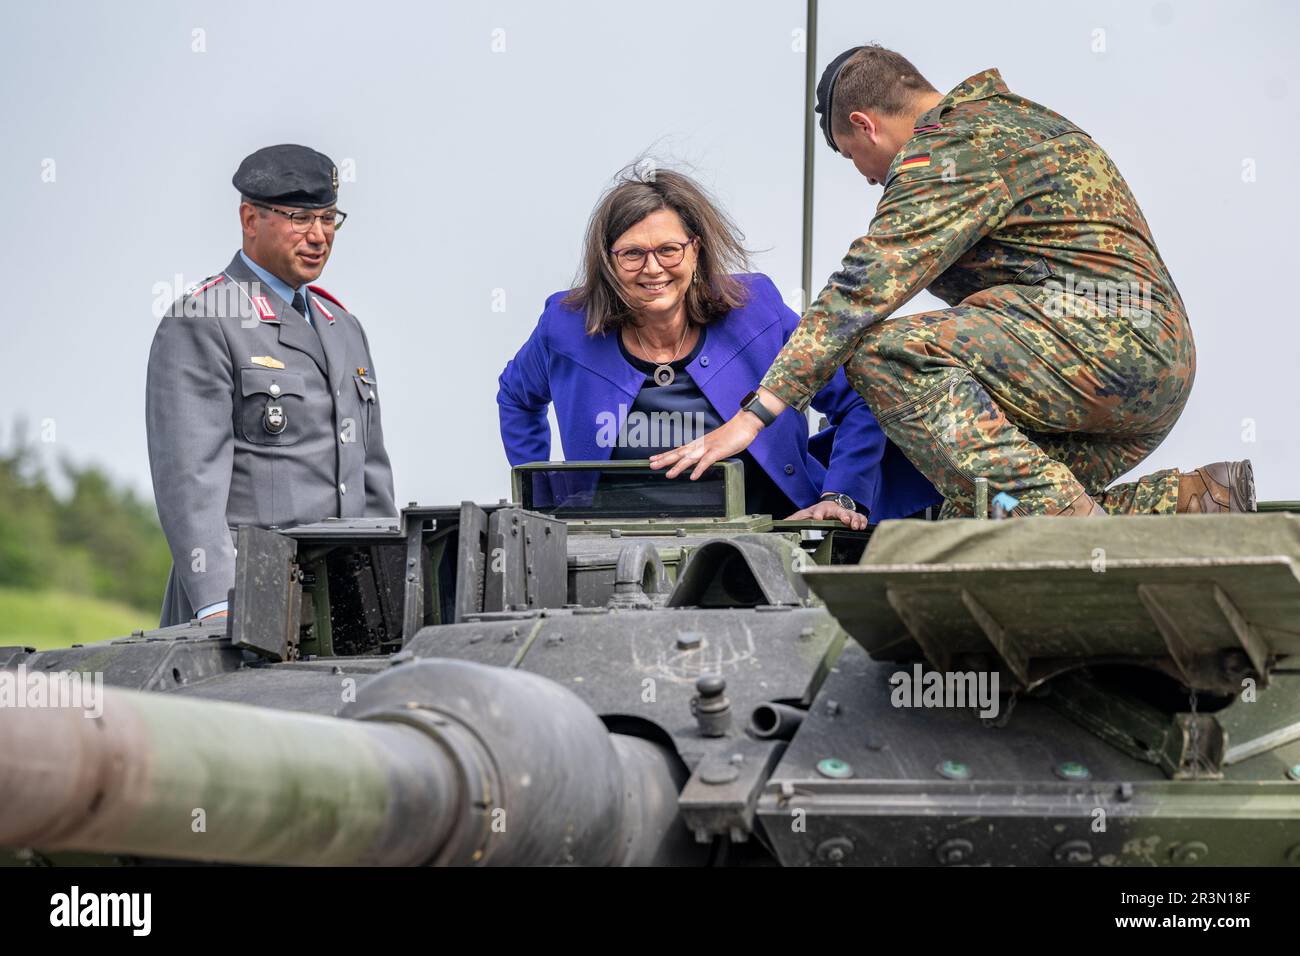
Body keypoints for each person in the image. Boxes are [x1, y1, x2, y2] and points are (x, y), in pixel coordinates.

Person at [650, 46, 1255, 517]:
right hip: (1136, 368)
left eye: (849, 155)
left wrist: (756, 415)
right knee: (977, 517)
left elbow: (865, 286)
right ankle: (1196, 499)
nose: (865, 179)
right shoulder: (1022, 125)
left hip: (1106, 344)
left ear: (864, 126)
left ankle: (1072, 532)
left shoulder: (954, 148)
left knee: (882, 352)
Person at [497, 167, 941, 527]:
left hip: (767, 541)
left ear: (696, 250)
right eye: (632, 254)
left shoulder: (757, 311)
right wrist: (544, 502)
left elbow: (862, 400)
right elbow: (516, 397)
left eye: (669, 250)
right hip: (618, 550)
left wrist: (839, 497)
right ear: (608, 261)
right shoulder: (565, 326)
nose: (653, 269)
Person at [146, 144, 396, 627]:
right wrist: (218, 604)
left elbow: (372, 477)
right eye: (300, 218)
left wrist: (384, 592)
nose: (318, 236)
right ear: (249, 218)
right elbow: (190, 482)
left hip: (343, 605)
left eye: (328, 219)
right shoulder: (203, 318)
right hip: (246, 598)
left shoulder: (343, 326)